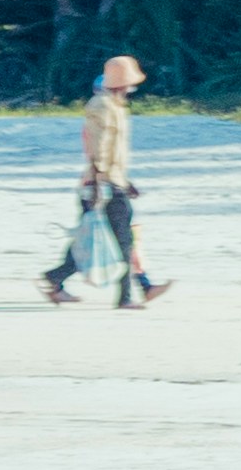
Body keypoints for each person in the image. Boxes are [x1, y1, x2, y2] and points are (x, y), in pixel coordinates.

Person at [41, 53, 160, 309]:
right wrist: (100, 181)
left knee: (95, 239)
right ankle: (126, 297)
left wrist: (125, 181)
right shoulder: (103, 106)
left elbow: (113, 151)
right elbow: (100, 147)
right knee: (122, 240)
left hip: (110, 182)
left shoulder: (114, 106)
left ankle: (54, 278)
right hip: (102, 185)